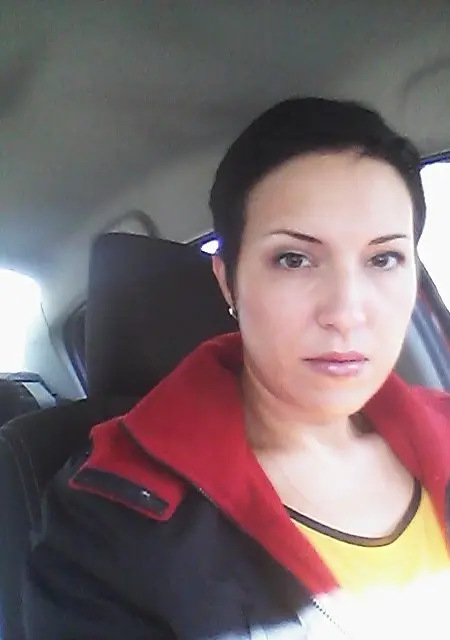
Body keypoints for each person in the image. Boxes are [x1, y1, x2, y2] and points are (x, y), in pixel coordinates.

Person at [23, 98, 450, 639]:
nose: (346, 312)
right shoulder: (107, 518)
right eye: (293, 259)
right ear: (228, 282)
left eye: (383, 258)